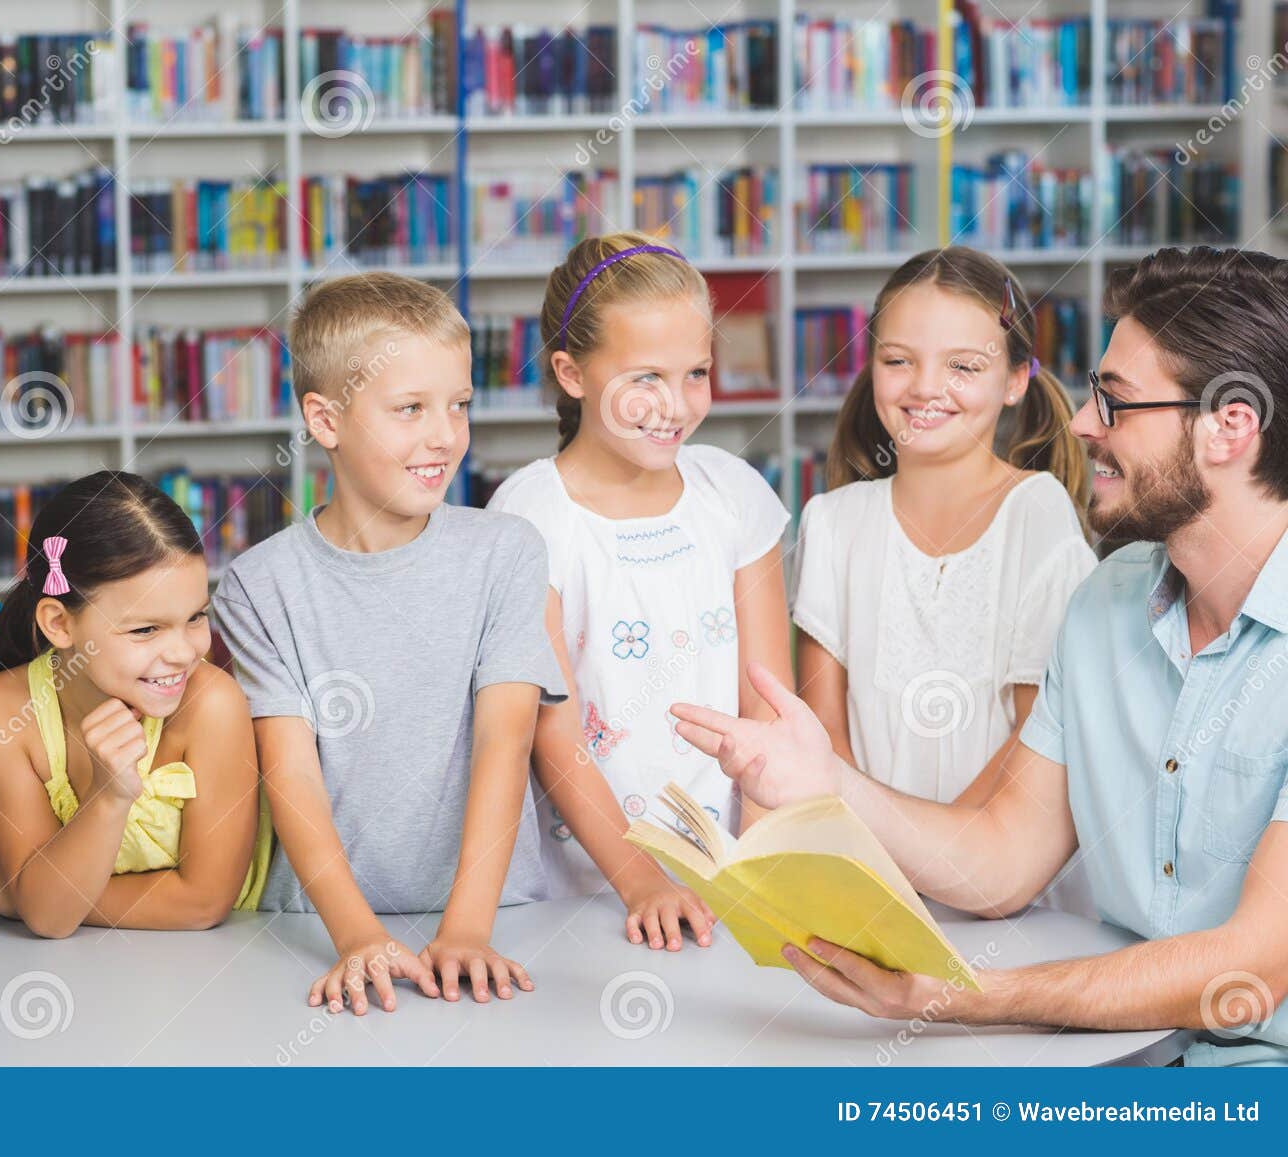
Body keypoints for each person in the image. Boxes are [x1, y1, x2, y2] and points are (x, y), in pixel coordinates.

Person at [672, 247, 1288, 1066]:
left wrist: (958, 996)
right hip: (1136, 1055)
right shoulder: (1106, 608)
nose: (1081, 422)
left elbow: (1251, 964)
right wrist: (829, 779)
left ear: (1230, 426)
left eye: (1118, 402)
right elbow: (1002, 861)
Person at [214, 272, 566, 1014]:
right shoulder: (257, 584)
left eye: (459, 405)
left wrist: (465, 928)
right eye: (410, 408)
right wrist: (356, 936)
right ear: (326, 419)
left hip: (501, 920)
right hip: (319, 928)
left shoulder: (507, 551)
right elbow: (293, 779)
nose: (445, 434)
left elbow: (507, 740)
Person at [487, 232, 790, 950]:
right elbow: (549, 729)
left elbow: (769, 704)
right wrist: (641, 881)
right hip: (584, 893)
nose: (676, 405)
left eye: (696, 373)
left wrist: (761, 862)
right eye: (645, 378)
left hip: (731, 881)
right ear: (571, 373)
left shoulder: (733, 495)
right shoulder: (532, 513)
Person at [792, 246, 1097, 914]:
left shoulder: (1038, 515)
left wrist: (933, 864)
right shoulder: (832, 523)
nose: (925, 387)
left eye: (964, 366)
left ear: (1017, 378)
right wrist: (872, 869)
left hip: (1007, 894)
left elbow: (1034, 738)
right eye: (898, 360)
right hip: (868, 887)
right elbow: (824, 738)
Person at [0, 471, 271, 938]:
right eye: (145, 629)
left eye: (196, 617)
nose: (185, 652)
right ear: (59, 624)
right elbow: (49, 919)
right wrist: (109, 795)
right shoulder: (1, 712)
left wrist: (25, 895)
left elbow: (203, 903)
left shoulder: (213, 706)